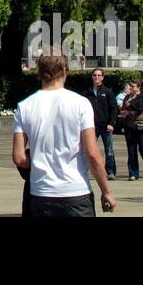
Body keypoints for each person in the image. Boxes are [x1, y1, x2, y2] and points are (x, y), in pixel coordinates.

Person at [12, 48, 115, 217]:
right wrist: (106, 191)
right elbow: (92, 154)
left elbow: (19, 158)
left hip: (41, 194)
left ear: (40, 72)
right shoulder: (81, 104)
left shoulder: (24, 107)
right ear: (65, 71)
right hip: (76, 192)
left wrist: (40, 160)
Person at [118, 79, 143, 180]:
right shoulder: (127, 98)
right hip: (130, 126)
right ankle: (133, 173)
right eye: (130, 86)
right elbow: (123, 109)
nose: (130, 88)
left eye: (133, 86)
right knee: (131, 150)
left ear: (138, 87)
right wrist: (124, 112)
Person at [85, 68, 117, 178]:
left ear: (102, 77)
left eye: (99, 75)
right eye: (94, 75)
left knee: (109, 150)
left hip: (106, 125)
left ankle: (110, 171)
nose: (96, 77)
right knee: (90, 149)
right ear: (92, 77)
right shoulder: (87, 92)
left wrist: (111, 123)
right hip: (92, 126)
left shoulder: (107, 92)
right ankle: (89, 170)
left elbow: (113, 108)